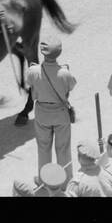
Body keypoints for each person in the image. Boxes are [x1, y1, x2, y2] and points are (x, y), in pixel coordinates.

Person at [25, 38, 76, 179]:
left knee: (43, 148)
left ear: (43, 52)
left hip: (42, 112)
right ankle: (66, 180)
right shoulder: (65, 72)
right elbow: (71, 86)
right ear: (59, 53)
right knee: (63, 149)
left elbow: (29, 82)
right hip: (60, 112)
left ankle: (44, 179)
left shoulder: (33, 70)